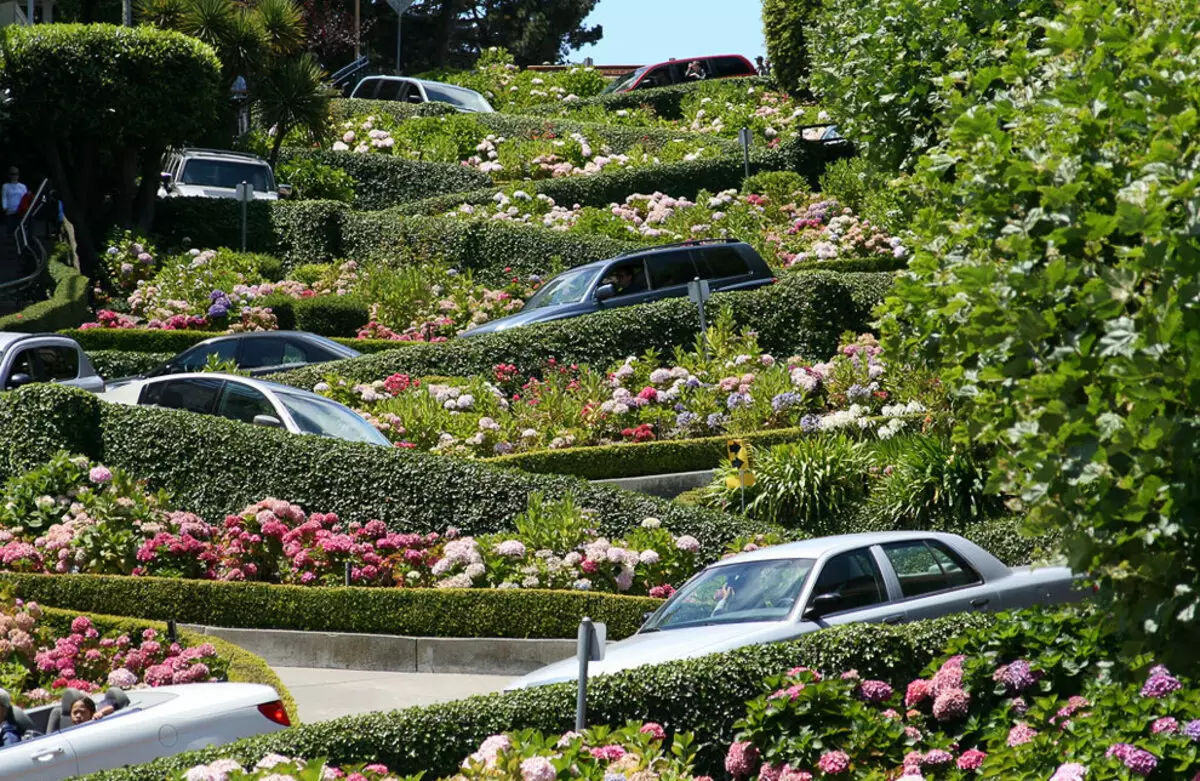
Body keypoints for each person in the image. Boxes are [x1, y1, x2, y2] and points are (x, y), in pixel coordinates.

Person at [2, 167, 27, 234]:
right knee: (11, 229)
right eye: (12, 174)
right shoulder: (5, 186)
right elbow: (4, 197)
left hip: (20, 210)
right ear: (9, 175)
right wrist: (4, 207)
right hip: (10, 211)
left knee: (20, 229)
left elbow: (25, 198)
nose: (14, 176)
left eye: (16, 174)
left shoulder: (22, 186)